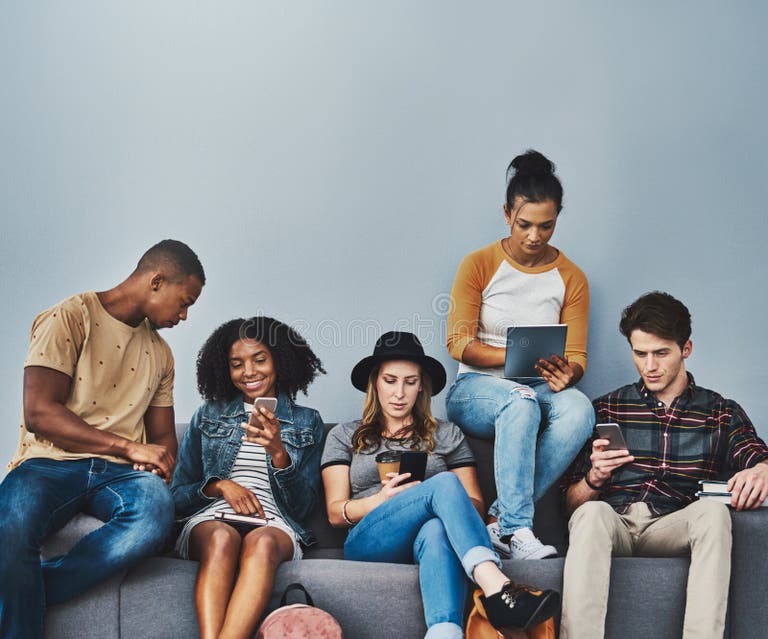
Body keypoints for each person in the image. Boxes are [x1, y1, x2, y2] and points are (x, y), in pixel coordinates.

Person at [0, 239, 205, 639]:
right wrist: (130, 446)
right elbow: (40, 412)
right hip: (50, 462)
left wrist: (159, 462)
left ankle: (30, 589)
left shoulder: (161, 354)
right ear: (157, 281)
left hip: (121, 475)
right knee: (9, 521)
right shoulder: (69, 318)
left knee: (154, 515)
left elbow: (164, 437)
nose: (183, 315)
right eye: (184, 302)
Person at [321, 331, 560, 639]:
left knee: (435, 526)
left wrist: (429, 501)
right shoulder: (344, 435)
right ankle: (496, 586)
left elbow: (473, 504)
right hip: (370, 539)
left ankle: (444, 633)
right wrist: (382, 499)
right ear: (375, 383)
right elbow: (334, 513)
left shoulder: (447, 435)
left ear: (421, 386)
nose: (399, 393)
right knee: (444, 482)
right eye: (390, 380)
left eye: (410, 382)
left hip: (431, 537)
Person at [560, 292, 768, 639]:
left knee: (714, 514)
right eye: (640, 354)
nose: (649, 366)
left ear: (685, 349)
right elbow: (570, 506)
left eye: (661, 353)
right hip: (615, 522)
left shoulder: (721, 412)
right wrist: (595, 478)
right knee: (591, 515)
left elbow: (757, 455)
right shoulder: (606, 409)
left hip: (673, 525)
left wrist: (763, 469)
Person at [445, 149, 595, 560]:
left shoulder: (571, 277)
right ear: (507, 213)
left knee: (579, 408)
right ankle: (517, 530)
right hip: (476, 388)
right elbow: (458, 342)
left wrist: (568, 373)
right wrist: (513, 358)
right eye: (524, 224)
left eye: (546, 226)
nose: (534, 236)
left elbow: (577, 354)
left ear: (558, 216)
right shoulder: (478, 264)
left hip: (536, 387)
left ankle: (501, 523)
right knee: (520, 398)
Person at [171, 316, 326, 639]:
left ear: (279, 362)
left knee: (264, 543)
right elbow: (177, 496)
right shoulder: (208, 415)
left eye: (259, 360)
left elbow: (303, 508)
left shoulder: (307, 422)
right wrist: (220, 486)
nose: (249, 372)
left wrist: (279, 453)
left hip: (274, 521)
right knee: (221, 539)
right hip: (213, 517)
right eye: (236, 364)